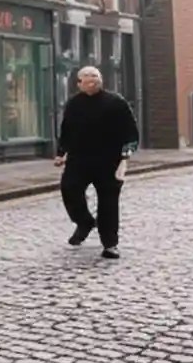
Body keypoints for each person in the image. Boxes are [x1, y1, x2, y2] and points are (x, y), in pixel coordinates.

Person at [54, 66, 140, 259]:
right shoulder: (73, 104)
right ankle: (84, 222)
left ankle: (110, 244)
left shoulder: (116, 102)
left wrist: (126, 154)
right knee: (69, 189)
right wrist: (61, 153)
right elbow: (67, 130)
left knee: (108, 203)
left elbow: (131, 131)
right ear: (79, 83)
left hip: (109, 160)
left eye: (95, 76)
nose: (92, 79)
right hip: (79, 159)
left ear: (101, 80)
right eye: (87, 77)